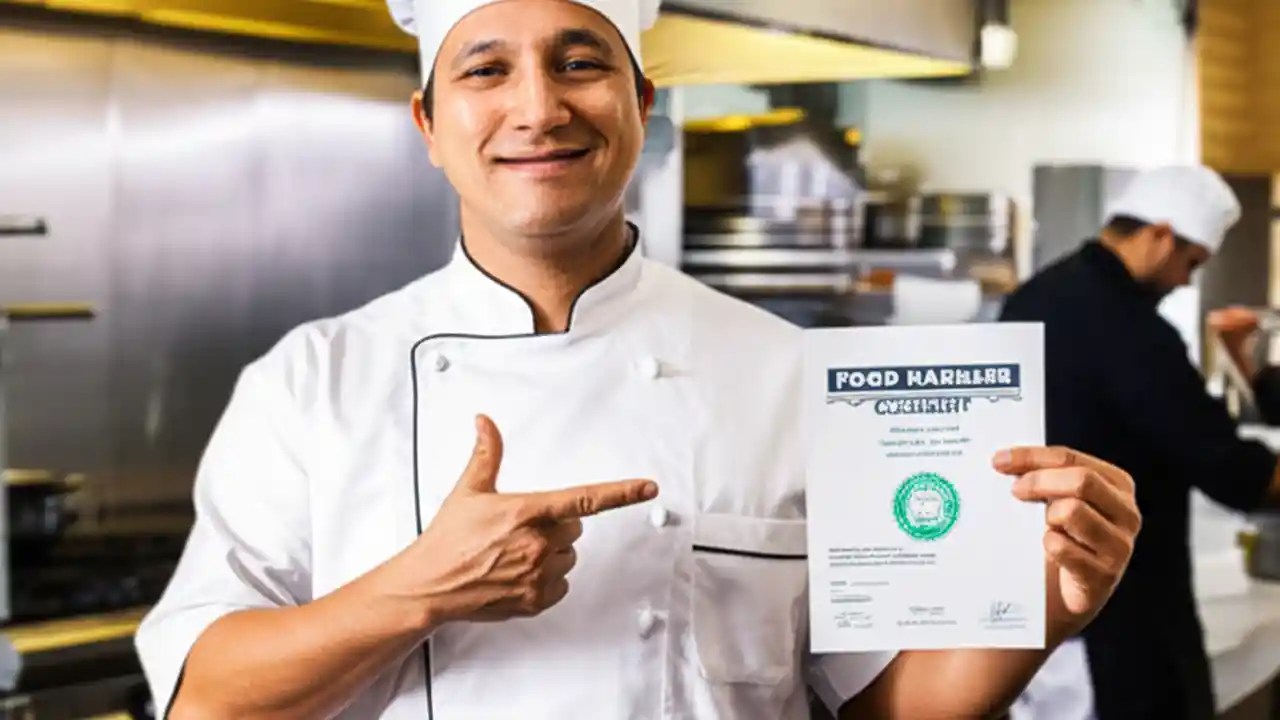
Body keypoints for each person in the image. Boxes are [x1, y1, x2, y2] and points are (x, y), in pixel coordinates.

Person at [134, 1, 1141, 718]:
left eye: (579, 63)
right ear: (428, 128)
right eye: (485, 69)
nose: (538, 107)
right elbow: (207, 698)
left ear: (639, 102)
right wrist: (421, 590)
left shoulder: (791, 378)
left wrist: (1040, 606)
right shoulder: (311, 384)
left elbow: (892, 706)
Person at [1000, 165, 1280, 720]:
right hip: (1120, 617)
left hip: (1036, 606)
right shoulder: (1132, 331)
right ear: (1161, 234)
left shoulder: (1032, 298)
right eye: (1191, 263)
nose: (1186, 281)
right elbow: (1227, 467)